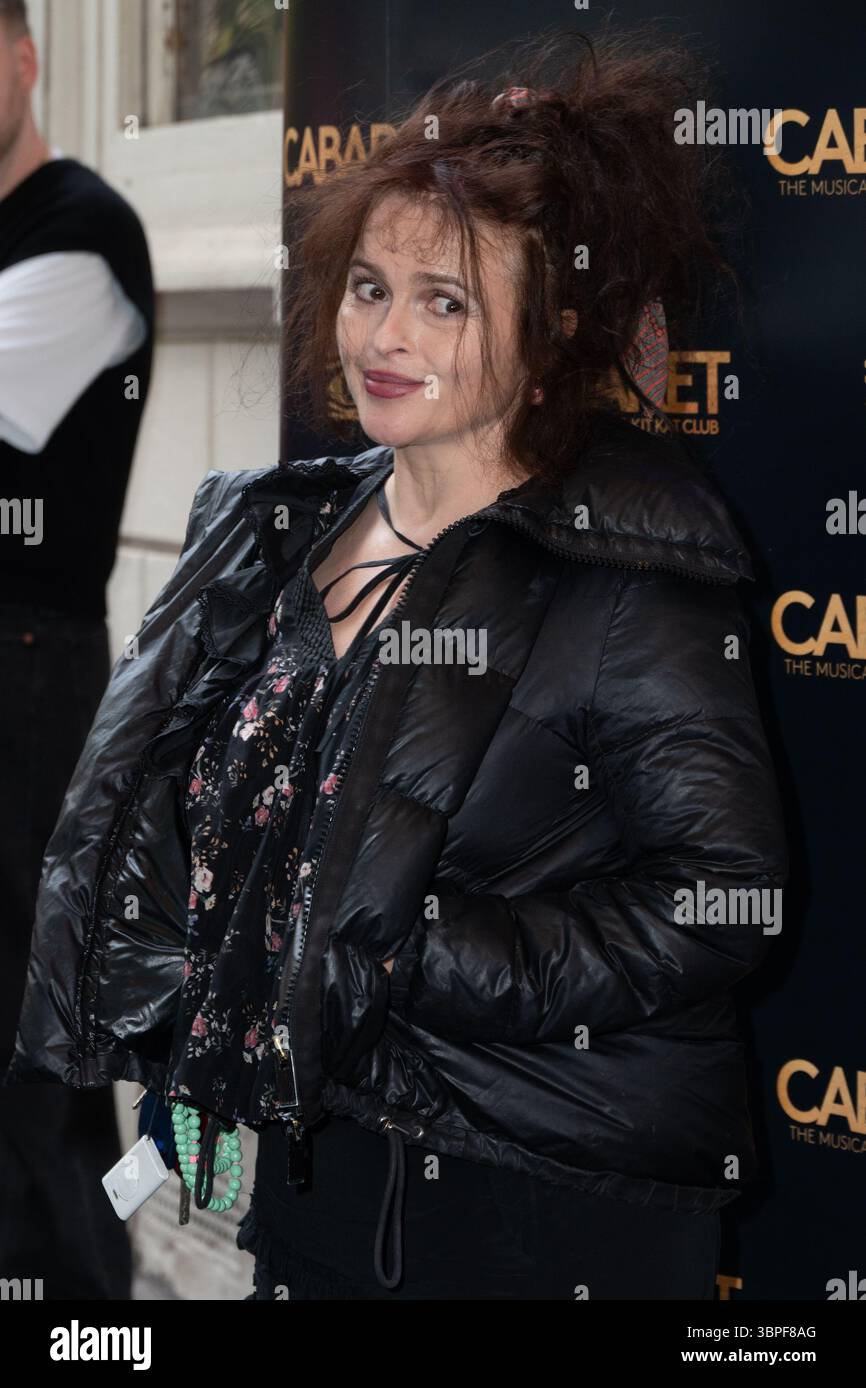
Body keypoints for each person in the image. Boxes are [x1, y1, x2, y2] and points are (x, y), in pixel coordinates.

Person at [4, 27, 787, 1301]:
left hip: (536, 1194)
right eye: (371, 286)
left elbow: (722, 893)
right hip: (322, 1162)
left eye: (446, 301)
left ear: (547, 332)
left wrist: (403, 951)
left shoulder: (628, 573)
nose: (386, 334)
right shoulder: (275, 525)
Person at [0, 0, 154, 1298]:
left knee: (40, 1053)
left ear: (24, 55)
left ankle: (84, 1315)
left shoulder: (82, 230)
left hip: (30, 678)